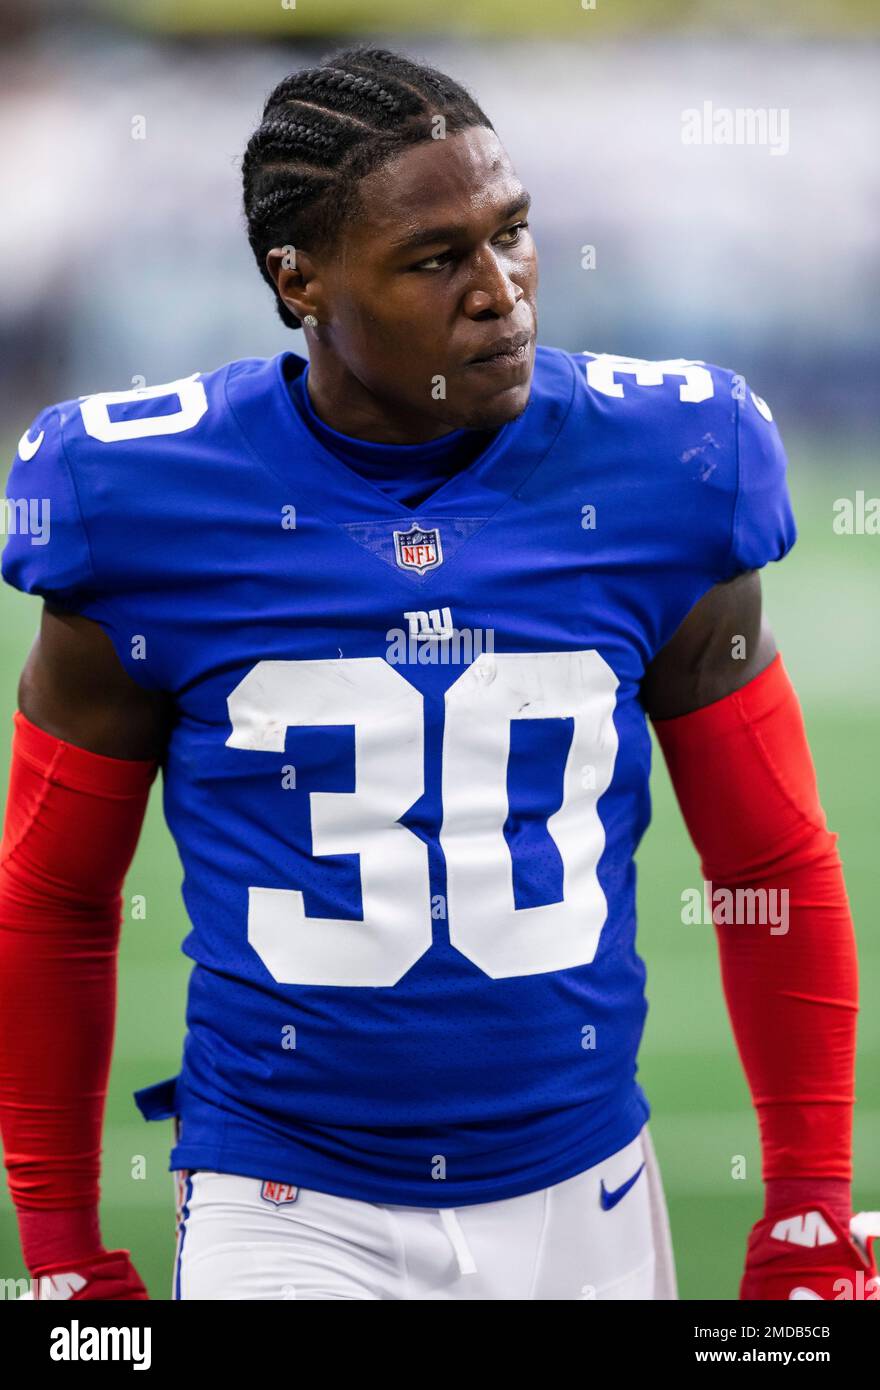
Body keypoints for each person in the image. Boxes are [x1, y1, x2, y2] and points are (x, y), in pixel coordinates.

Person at [0, 46, 874, 1301]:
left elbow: (767, 862)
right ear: (295, 280)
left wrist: (805, 1210)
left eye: (512, 234)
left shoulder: (668, 466)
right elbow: (56, 897)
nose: (505, 295)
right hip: (284, 1198)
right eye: (435, 259)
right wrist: (60, 1253)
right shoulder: (140, 499)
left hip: (590, 1191)